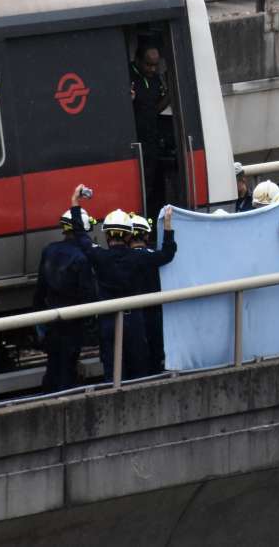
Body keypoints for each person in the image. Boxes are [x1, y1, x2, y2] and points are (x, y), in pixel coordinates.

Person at [91, 207, 177, 382]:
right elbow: (167, 254)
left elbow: (81, 241)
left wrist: (75, 204)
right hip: (134, 321)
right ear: (129, 236)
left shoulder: (99, 257)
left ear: (107, 235)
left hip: (108, 321)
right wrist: (168, 226)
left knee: (113, 372)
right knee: (139, 372)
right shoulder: (139, 258)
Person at [32, 185, 99, 392]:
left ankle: (48, 396)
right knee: (68, 366)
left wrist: (38, 318)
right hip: (74, 321)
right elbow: (89, 294)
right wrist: (91, 327)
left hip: (53, 318)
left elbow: (40, 289)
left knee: (53, 364)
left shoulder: (49, 251)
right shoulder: (81, 258)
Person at [132, 43, 173, 213]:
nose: (152, 69)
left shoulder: (156, 79)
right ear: (138, 61)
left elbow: (154, 108)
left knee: (155, 185)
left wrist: (171, 94)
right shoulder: (128, 76)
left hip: (153, 141)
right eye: (148, 64)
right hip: (135, 142)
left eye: (155, 65)